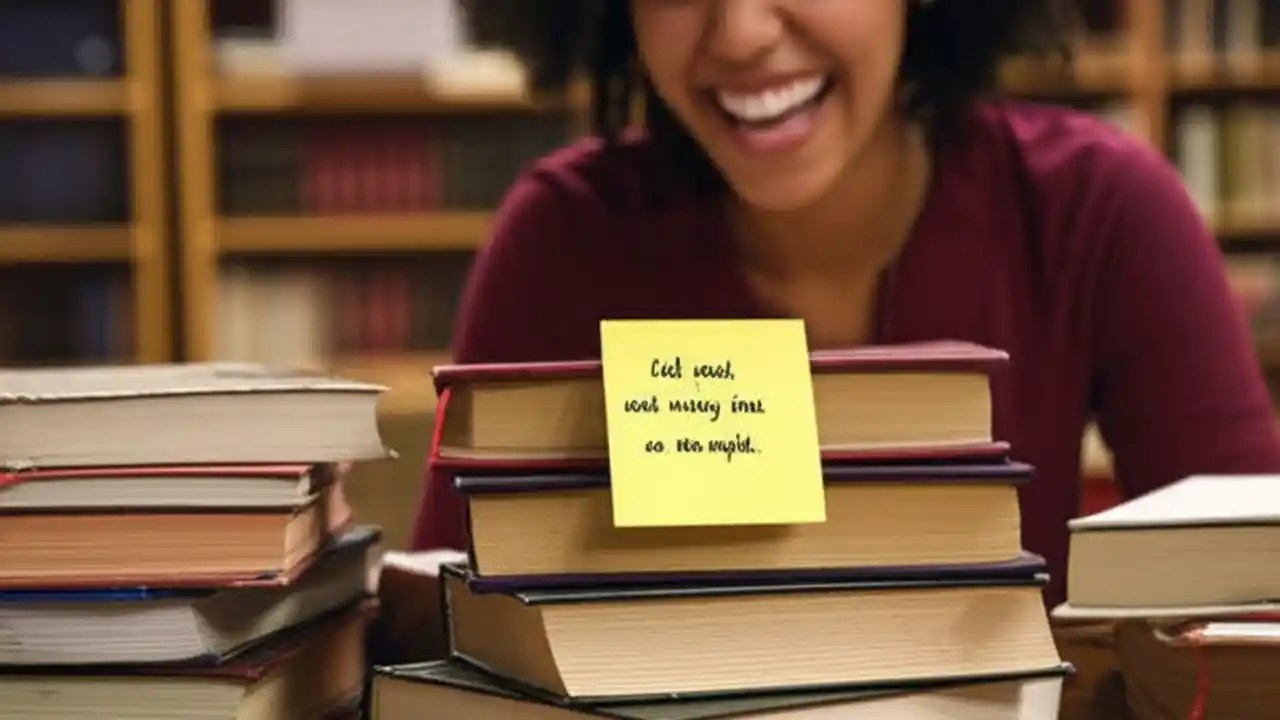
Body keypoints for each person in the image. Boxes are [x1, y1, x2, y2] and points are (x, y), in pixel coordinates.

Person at [409, 0, 1280, 608]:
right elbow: (441, 622)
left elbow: (1252, 603)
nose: (741, 31)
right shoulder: (564, 244)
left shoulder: (1097, 212)